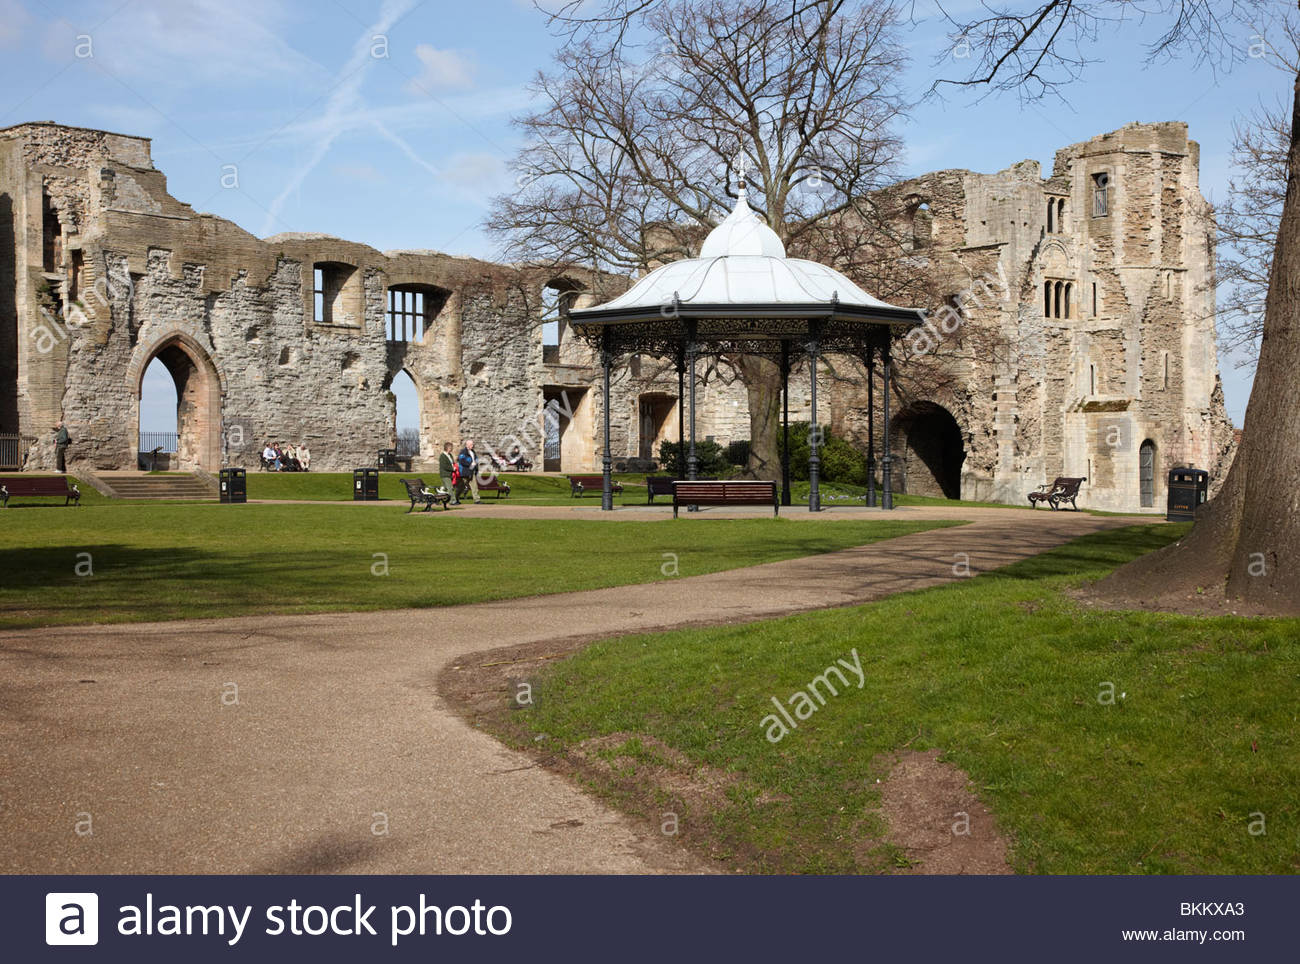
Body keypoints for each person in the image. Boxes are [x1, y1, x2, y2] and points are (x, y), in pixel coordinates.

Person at [458, 439, 481, 504]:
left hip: (471, 471)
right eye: (471, 444)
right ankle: (456, 498)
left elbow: (476, 460)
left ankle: (477, 500)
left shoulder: (473, 452)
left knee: (474, 486)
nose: (472, 445)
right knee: (461, 487)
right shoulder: (463, 452)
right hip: (465, 472)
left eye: (472, 444)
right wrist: (470, 464)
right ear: (467, 445)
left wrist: (476, 468)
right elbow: (461, 461)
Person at [439, 441, 459, 505]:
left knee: (445, 488)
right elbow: (444, 466)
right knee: (450, 488)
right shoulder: (442, 456)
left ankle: (438, 499)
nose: (452, 449)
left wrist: (454, 466)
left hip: (450, 474)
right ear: (448, 448)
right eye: (451, 448)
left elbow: (452, 463)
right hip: (445, 474)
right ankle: (453, 501)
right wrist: (452, 469)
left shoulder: (449, 455)